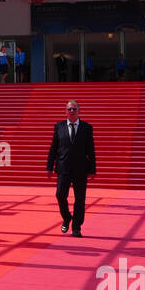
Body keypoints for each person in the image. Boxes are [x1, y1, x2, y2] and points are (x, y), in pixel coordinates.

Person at [46, 99, 96, 236]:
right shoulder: (59, 126)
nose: (72, 111)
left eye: (74, 109)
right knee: (60, 195)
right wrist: (49, 167)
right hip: (63, 168)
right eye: (69, 109)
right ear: (66, 111)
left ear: (79, 111)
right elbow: (54, 148)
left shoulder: (86, 128)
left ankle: (76, 227)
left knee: (80, 198)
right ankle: (67, 217)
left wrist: (92, 169)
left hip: (81, 169)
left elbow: (90, 149)